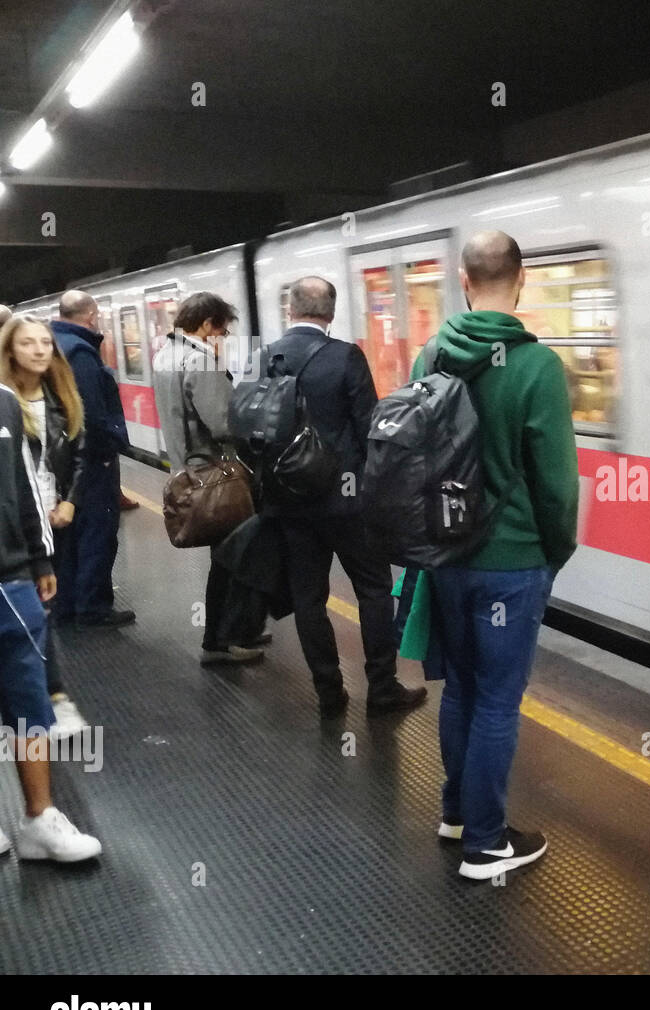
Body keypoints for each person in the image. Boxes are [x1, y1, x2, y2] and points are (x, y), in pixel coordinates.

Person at [424, 231, 578, 881]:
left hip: (445, 555)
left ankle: (457, 812)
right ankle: (486, 845)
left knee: (460, 687)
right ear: (521, 281)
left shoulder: (430, 354)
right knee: (496, 698)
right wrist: (554, 549)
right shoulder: (537, 366)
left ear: (464, 280)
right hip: (510, 563)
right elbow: (556, 482)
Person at [264, 276, 425, 718]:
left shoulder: (267, 357)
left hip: (292, 503)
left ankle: (329, 693)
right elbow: (371, 429)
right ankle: (381, 688)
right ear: (330, 314)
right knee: (373, 591)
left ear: (290, 310)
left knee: (308, 599)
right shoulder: (345, 357)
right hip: (347, 501)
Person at [0, 379, 102, 861]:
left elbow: (22, 486)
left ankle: (40, 820)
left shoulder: (4, 403)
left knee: (28, 696)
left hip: (11, 575)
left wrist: (41, 560)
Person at [153, 292, 265, 666]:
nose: (225, 338)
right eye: (222, 330)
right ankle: (220, 640)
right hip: (217, 474)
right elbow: (222, 422)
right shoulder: (200, 361)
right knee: (232, 557)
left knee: (227, 556)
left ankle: (233, 630)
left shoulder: (165, 353)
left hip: (190, 471)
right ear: (206, 325)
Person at [0, 314, 92, 739]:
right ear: (9, 351)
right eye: (27, 343)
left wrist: (70, 500)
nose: (39, 350)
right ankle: (52, 697)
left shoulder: (61, 396)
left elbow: (78, 451)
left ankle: (48, 698)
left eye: (45, 343)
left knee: (44, 603)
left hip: (53, 514)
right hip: (22, 519)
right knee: (37, 606)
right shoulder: (5, 402)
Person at [50, 291, 134, 627]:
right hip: (91, 461)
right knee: (97, 531)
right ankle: (93, 606)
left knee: (71, 538)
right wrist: (111, 444)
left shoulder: (57, 344)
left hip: (65, 458)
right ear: (91, 316)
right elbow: (91, 415)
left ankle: (68, 604)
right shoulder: (82, 352)